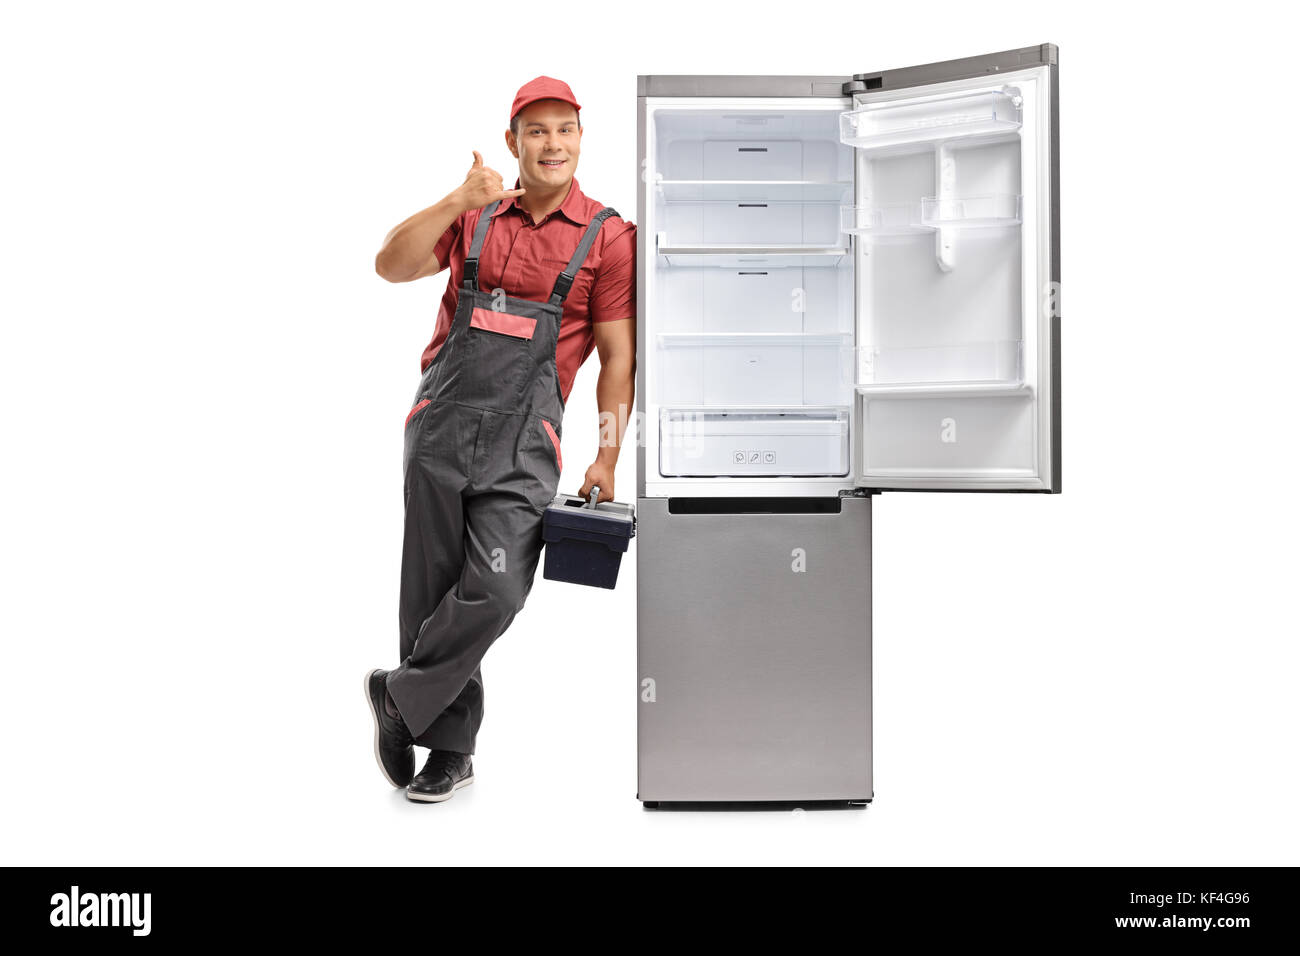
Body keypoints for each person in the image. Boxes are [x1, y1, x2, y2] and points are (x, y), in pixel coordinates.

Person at [365, 77, 636, 803]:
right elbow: (389, 266)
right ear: (513, 140)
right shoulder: (477, 215)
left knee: (496, 587)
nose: (555, 145)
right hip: (441, 426)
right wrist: (458, 198)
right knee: (429, 593)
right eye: (538, 131)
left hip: (525, 444)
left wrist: (607, 453)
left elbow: (618, 359)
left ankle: (398, 697)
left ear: (582, 137)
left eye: (567, 130)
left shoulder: (608, 238)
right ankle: (449, 753)